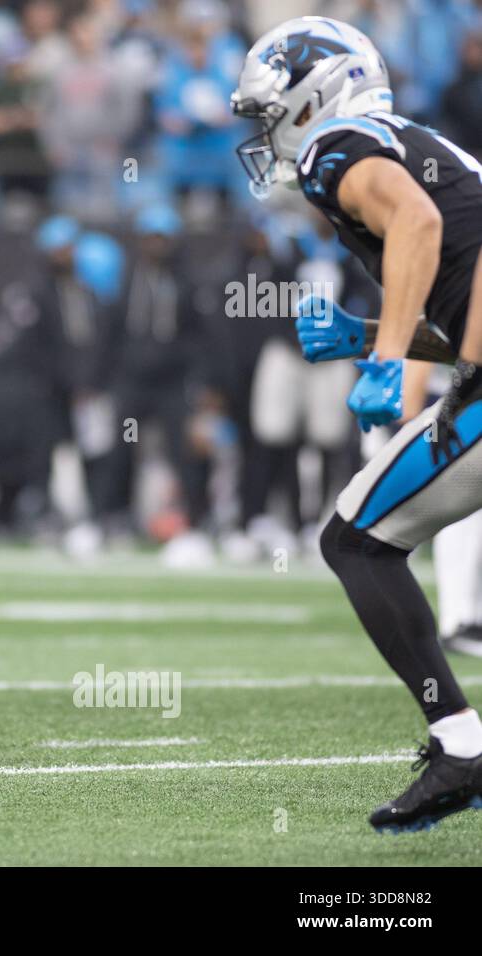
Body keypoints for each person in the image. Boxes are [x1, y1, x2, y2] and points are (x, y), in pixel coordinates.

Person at [232, 16, 482, 832]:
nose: (264, 129)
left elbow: (420, 225)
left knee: (355, 541)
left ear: (312, 94)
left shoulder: (334, 146)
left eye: (268, 109)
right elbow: (459, 289)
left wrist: (388, 367)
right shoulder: (406, 140)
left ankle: (459, 743)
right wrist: (371, 335)